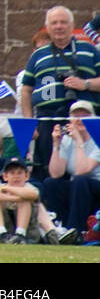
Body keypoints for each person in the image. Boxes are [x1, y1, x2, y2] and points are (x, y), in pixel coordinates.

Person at [20, 6, 100, 179]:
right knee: (49, 171)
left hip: (84, 118)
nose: (59, 27)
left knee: (84, 171)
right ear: (47, 27)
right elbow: (26, 90)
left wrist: (84, 84)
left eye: (63, 22)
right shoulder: (38, 55)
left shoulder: (90, 50)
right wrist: (28, 123)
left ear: (72, 26)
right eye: (54, 23)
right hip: (48, 118)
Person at [40, 99, 100, 242]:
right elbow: (56, 173)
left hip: (95, 184)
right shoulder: (67, 140)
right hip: (79, 187)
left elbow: (82, 170)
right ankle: (59, 228)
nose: (79, 120)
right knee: (50, 183)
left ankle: (75, 229)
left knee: (79, 181)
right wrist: (56, 144)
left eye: (84, 116)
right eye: (76, 116)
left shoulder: (97, 138)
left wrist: (79, 141)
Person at [0, 156, 43, 244]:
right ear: (5, 176)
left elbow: (33, 195)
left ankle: (20, 234)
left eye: (19, 173)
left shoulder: (28, 187)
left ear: (26, 176)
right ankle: (2, 234)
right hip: (6, 226)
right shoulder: (1, 187)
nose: (16, 176)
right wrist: (12, 197)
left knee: (25, 200)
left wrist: (9, 189)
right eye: (12, 173)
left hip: (29, 232)